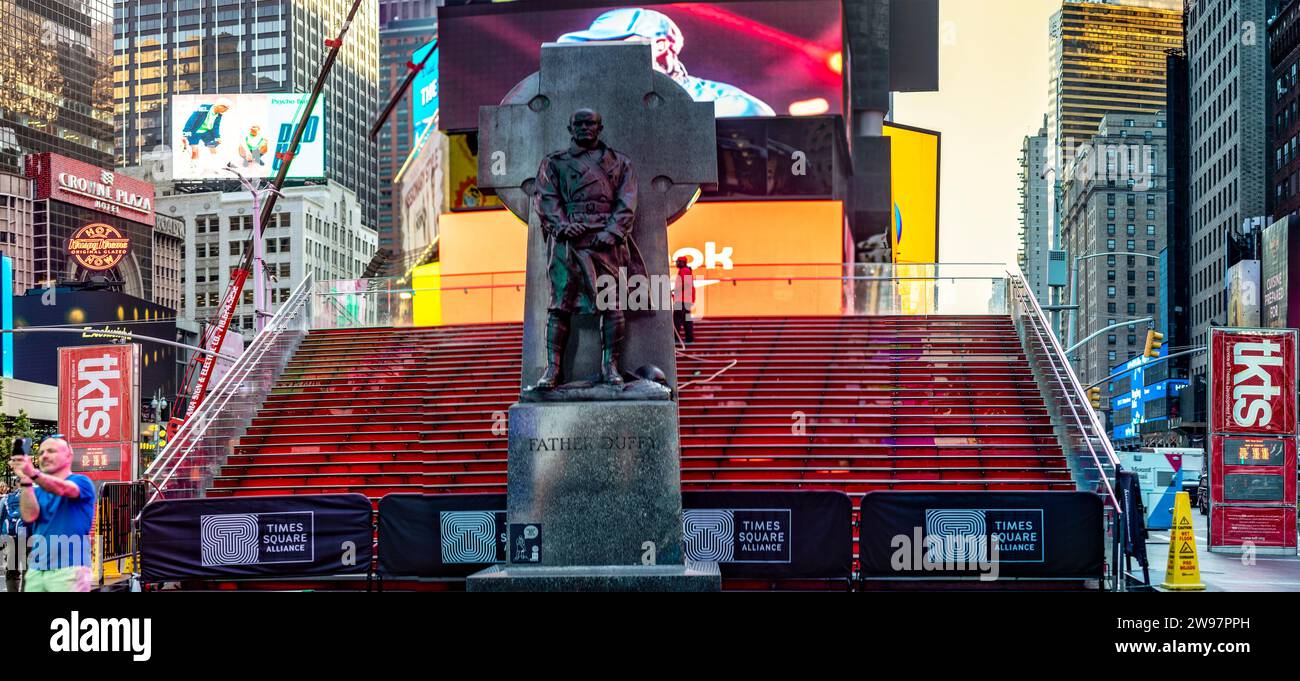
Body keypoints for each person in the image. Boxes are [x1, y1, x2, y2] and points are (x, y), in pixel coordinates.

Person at [532, 108, 641, 389]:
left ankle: (610, 367)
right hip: (568, 242)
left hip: (605, 243)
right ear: (570, 128)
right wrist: (562, 226)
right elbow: (545, 197)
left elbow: (627, 202)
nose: (584, 128)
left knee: (612, 304)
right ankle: (552, 370)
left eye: (589, 123)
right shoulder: (554, 163)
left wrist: (613, 232)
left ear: (600, 127)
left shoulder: (619, 163)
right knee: (559, 306)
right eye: (578, 123)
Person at [559, 8, 776, 118]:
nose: (603, 55)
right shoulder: (596, 113)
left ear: (660, 47)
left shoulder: (728, 105)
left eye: (614, 43)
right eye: (595, 46)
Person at [10, 438, 95, 592]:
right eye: (41, 452)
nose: (44, 456)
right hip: (37, 569)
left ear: (69, 455)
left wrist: (33, 473)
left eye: (51, 451)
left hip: (69, 568)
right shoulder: (37, 490)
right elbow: (29, 516)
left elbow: (64, 489)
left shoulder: (82, 482)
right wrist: (25, 479)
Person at [181, 97, 233, 163]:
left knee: (212, 148)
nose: (226, 110)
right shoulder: (203, 108)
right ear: (219, 105)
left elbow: (216, 126)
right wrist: (185, 133)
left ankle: (217, 165)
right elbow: (191, 120)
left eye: (227, 108)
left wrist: (217, 137)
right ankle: (194, 166)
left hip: (206, 132)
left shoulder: (219, 115)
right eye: (225, 108)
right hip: (194, 132)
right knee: (195, 151)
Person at [0, 479, 23, 593]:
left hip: (10, 538)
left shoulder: (6, 498)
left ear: (16, 484)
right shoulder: (36, 497)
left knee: (12, 569)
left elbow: (1, 517)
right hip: (30, 537)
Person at [672, 256, 695, 344]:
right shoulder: (686, 271)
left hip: (682, 300)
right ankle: (689, 338)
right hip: (685, 299)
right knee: (686, 320)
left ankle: (676, 338)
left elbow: (685, 284)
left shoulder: (684, 271)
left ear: (682, 262)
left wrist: (675, 291)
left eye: (678, 262)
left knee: (677, 319)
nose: (676, 263)